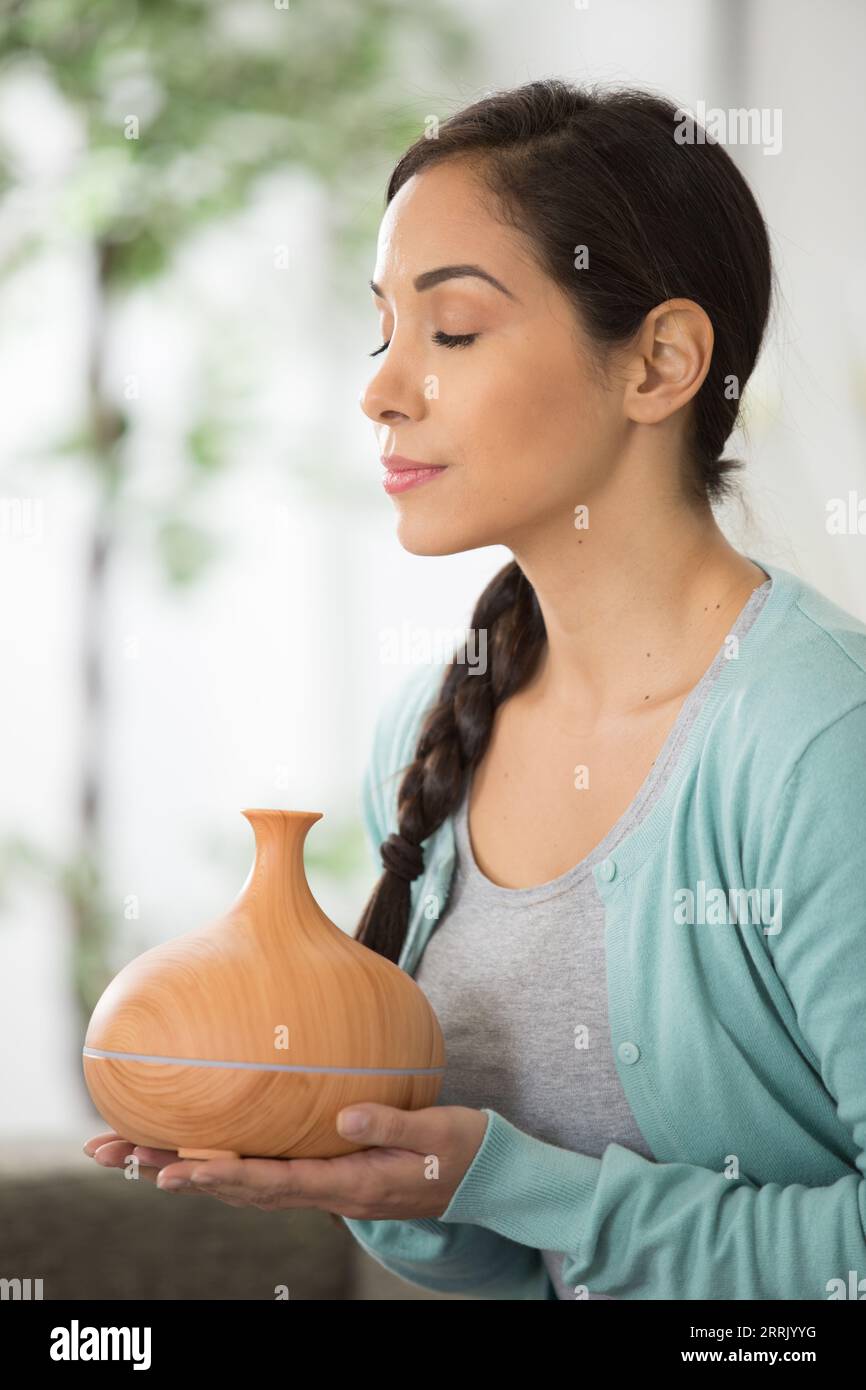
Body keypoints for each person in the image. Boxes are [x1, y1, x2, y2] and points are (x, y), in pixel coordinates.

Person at [85, 78, 866, 1302]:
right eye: (381, 329)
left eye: (449, 331)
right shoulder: (434, 727)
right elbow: (506, 1260)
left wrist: (512, 1179)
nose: (382, 389)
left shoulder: (818, 743)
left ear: (659, 362)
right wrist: (363, 1172)